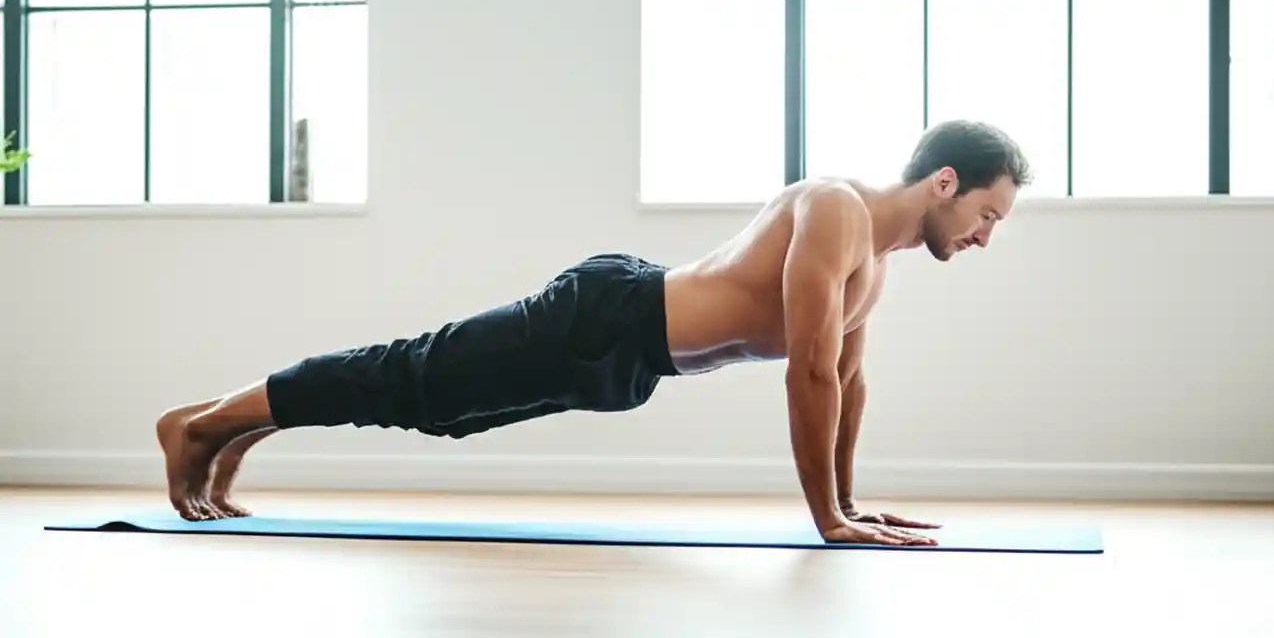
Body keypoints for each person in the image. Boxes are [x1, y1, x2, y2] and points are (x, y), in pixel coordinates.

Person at [156, 119, 1031, 546]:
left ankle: (238, 426)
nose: (984, 237)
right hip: (608, 314)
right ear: (944, 183)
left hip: (628, 362)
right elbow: (809, 374)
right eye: (987, 215)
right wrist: (827, 521)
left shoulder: (876, 267)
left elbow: (849, 382)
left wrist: (848, 502)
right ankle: (201, 426)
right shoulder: (837, 210)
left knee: (435, 410)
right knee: (414, 375)